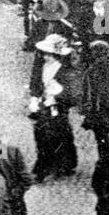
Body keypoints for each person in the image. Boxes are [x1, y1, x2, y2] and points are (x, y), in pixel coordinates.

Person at [28, 33, 78, 181]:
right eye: (45, 54)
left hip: (59, 107)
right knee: (43, 134)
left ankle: (61, 164)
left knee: (60, 133)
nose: (46, 57)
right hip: (44, 106)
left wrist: (56, 99)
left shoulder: (66, 70)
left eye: (49, 55)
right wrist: (34, 98)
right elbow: (35, 83)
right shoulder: (40, 66)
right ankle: (46, 166)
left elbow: (72, 93)